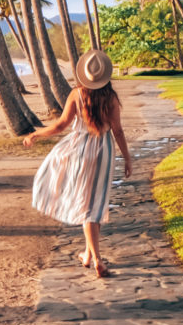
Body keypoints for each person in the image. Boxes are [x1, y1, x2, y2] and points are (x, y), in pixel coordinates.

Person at [23, 49, 133, 277]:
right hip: (104, 150)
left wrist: (37, 134)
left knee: (87, 206)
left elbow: (61, 125)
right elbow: (118, 131)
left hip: (80, 149)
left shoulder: (77, 94)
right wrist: (127, 157)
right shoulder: (111, 98)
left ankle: (95, 258)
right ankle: (90, 255)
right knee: (95, 202)